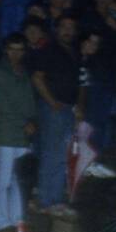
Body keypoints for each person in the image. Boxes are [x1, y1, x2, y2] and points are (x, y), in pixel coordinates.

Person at [30, 12, 81, 212]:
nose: (68, 31)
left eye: (71, 27)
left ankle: (56, 198)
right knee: (51, 154)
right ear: (57, 29)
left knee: (62, 155)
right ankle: (45, 200)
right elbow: (37, 77)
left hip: (68, 108)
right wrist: (52, 102)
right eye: (64, 27)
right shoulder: (49, 50)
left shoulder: (73, 52)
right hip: (54, 109)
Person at [0, 33, 37, 232]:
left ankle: (18, 220)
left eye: (20, 49)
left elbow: (30, 102)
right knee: (3, 179)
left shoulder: (24, 72)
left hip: (23, 135)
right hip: (5, 133)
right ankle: (1, 220)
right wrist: (22, 123)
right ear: (6, 50)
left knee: (19, 178)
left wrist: (33, 121)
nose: (16, 53)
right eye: (12, 49)